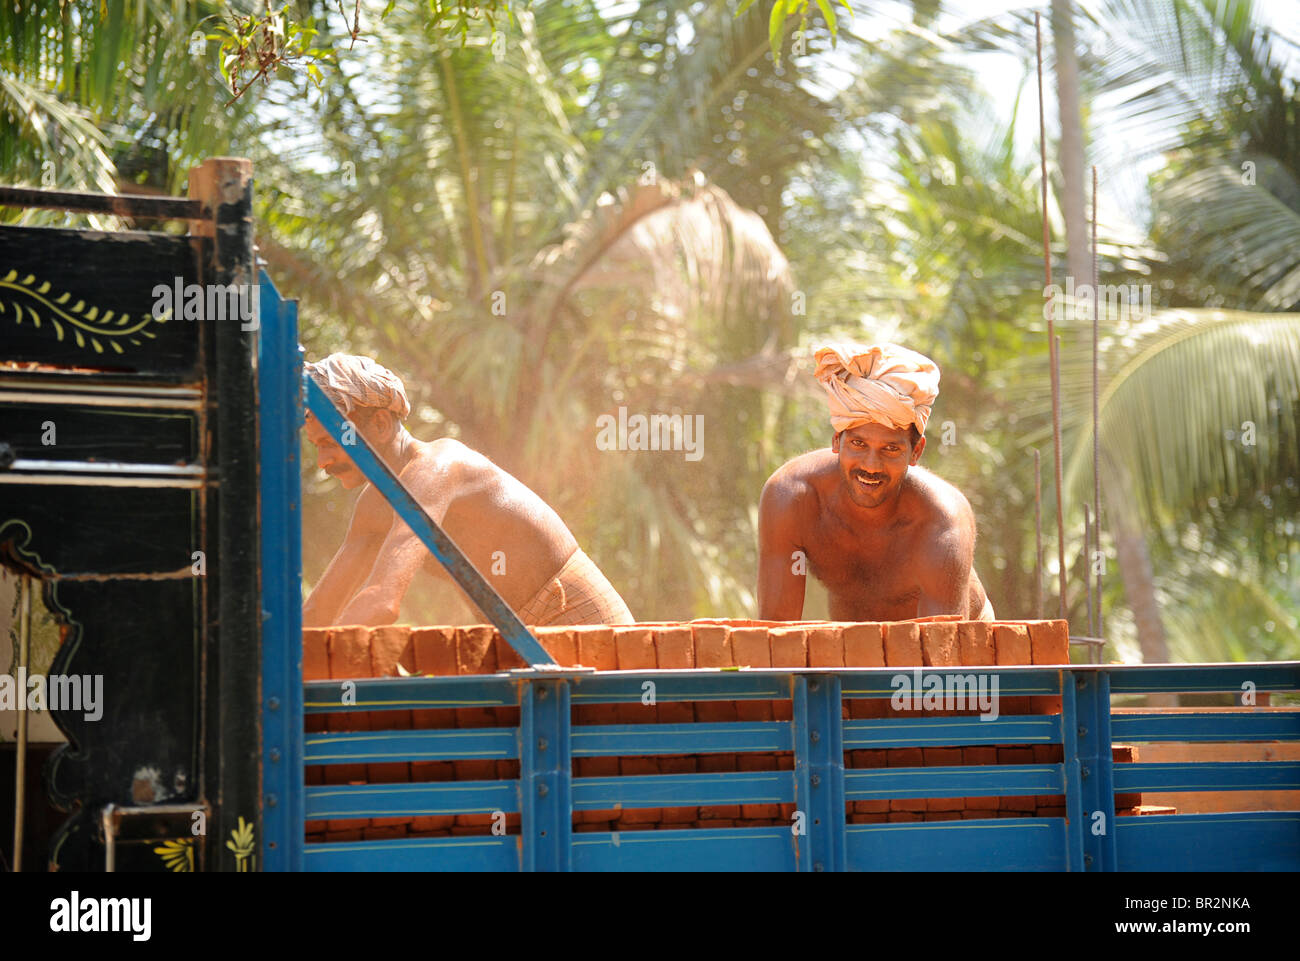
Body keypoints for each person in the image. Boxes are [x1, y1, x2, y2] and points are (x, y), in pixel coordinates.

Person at [301, 353, 634, 628]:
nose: (323, 461)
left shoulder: (437, 467)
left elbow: (381, 602)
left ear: (381, 425)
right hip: (517, 636)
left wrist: (319, 668)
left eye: (330, 443)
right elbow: (318, 613)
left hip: (579, 618)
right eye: (317, 446)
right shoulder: (373, 506)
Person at [757, 342, 994, 622]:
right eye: (858, 444)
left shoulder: (940, 518)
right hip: (856, 652)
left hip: (964, 647)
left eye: (891, 449)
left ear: (916, 452)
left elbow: (944, 650)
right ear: (837, 441)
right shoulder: (792, 497)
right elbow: (776, 628)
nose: (871, 466)